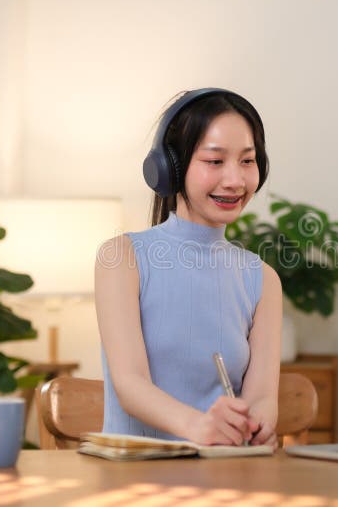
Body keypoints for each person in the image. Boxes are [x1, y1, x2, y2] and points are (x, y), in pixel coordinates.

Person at [95, 88, 282, 447]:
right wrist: (198, 427)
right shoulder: (120, 258)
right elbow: (130, 384)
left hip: (225, 483)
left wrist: (256, 425)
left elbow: (261, 397)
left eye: (247, 160)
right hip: (137, 485)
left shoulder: (263, 279)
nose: (235, 180)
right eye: (214, 161)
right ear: (171, 168)